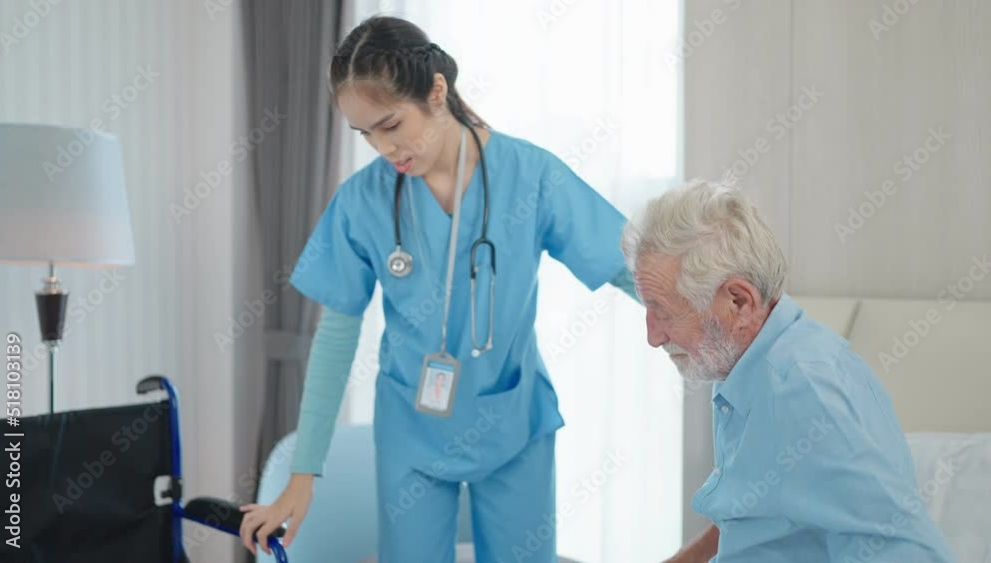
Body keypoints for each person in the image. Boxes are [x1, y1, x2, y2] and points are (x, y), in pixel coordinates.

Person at [238, 15, 639, 562]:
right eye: (366, 134)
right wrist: (302, 474)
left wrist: (704, 320)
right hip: (412, 430)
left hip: (513, 421)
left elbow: (624, 264)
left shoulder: (531, 176)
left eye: (391, 124)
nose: (383, 148)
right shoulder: (364, 201)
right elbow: (336, 335)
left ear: (436, 91)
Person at [623, 179, 954, 562]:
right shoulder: (749, 365)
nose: (653, 336)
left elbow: (910, 554)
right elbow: (761, 513)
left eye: (663, 311)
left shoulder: (807, 391)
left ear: (738, 301)